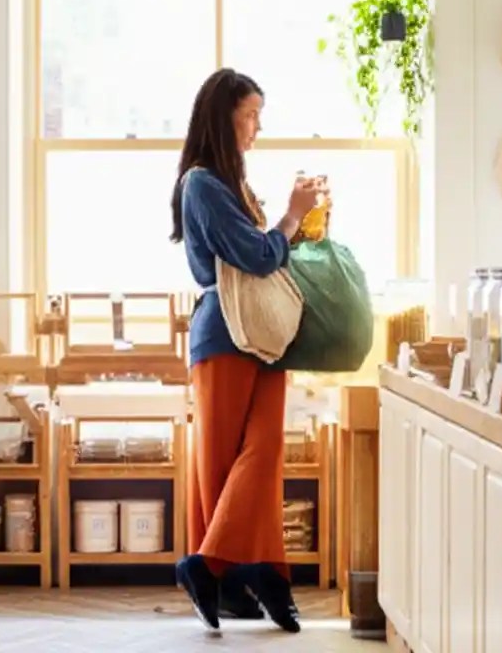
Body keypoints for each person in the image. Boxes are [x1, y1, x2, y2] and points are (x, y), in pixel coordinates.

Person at [168, 68, 323, 634]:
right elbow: (258, 257)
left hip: (257, 335)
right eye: (251, 114)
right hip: (228, 333)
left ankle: (213, 570)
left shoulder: (231, 184)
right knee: (228, 465)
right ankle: (250, 583)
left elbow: (267, 252)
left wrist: (298, 224)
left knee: (262, 455)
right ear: (223, 117)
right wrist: (291, 216)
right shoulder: (203, 183)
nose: (257, 126)